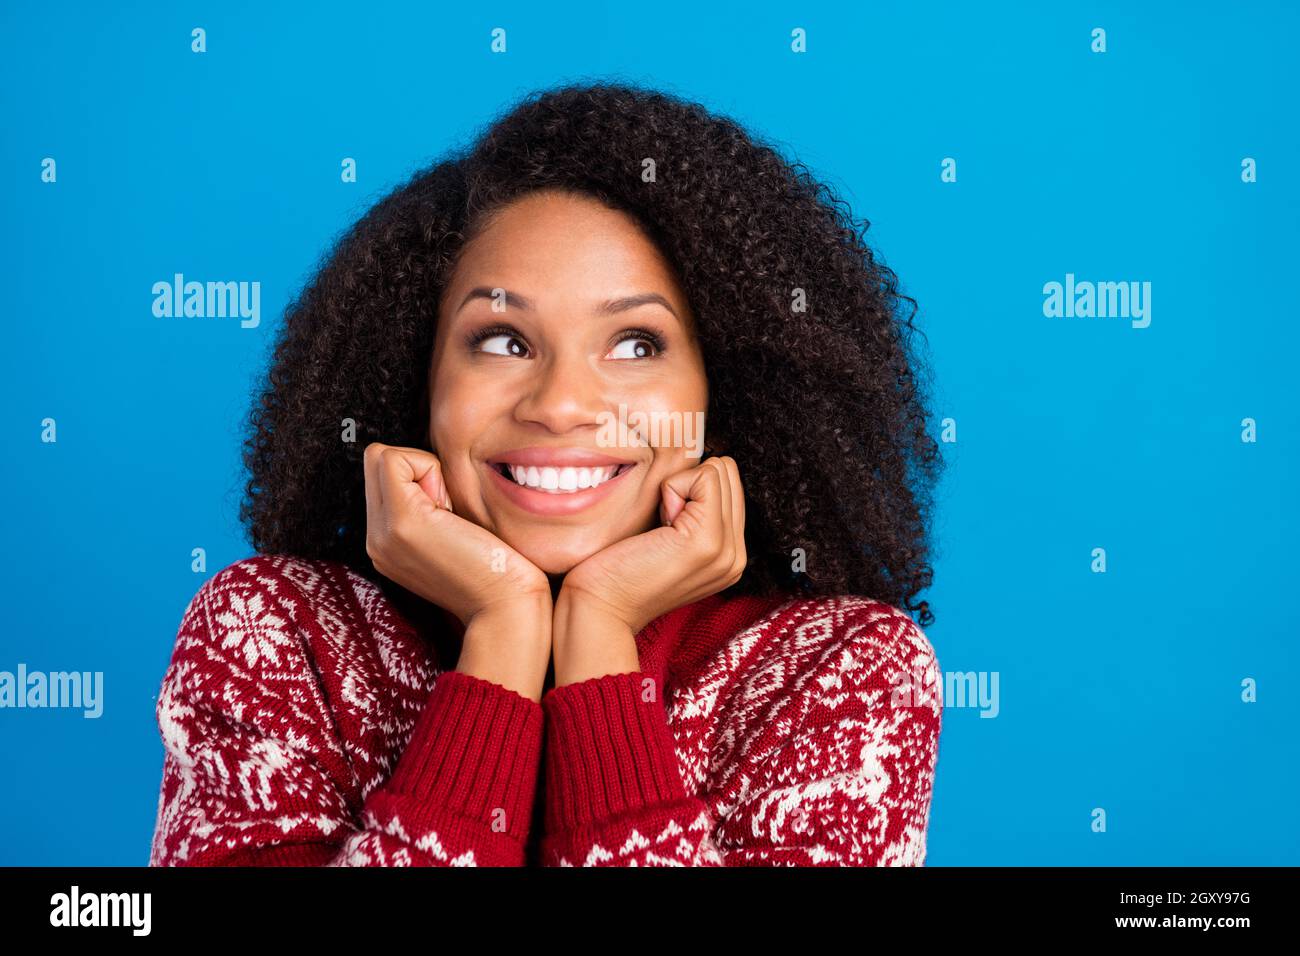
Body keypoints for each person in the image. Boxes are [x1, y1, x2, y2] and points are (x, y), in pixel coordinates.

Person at [148, 82, 946, 867]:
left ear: (724, 389)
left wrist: (599, 645)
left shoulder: (839, 674)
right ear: (415, 380)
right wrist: (499, 643)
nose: (561, 404)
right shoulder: (276, 635)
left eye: (636, 344)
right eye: (501, 341)